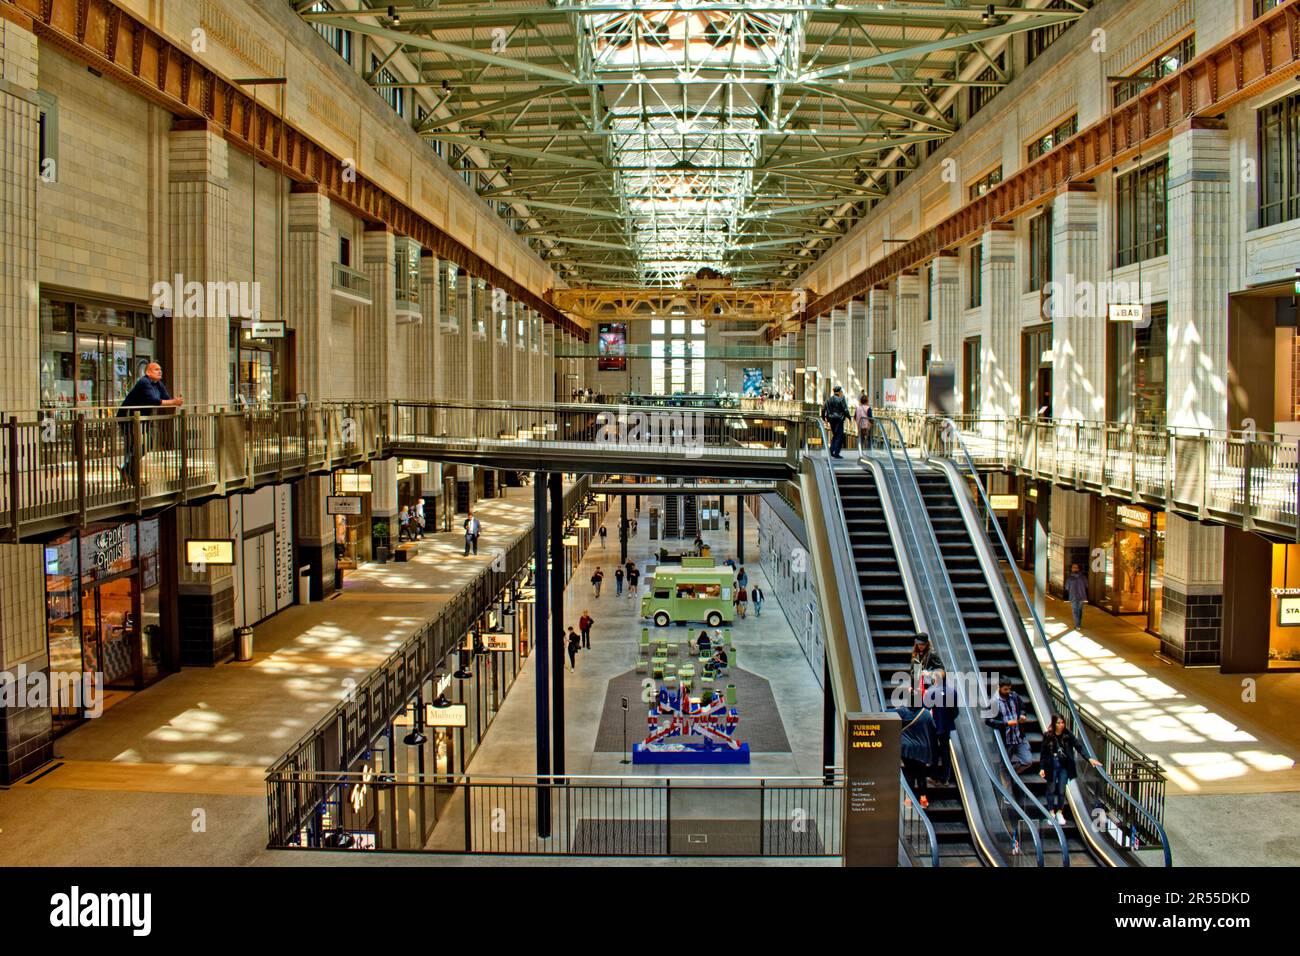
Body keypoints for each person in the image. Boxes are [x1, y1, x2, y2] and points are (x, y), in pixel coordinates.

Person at [117, 361, 183, 482]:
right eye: (156, 369)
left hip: (142, 418)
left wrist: (174, 402)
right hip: (129, 418)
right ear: (148, 372)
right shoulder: (144, 382)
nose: (160, 371)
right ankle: (129, 474)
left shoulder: (157, 383)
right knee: (135, 445)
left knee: (147, 443)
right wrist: (173, 402)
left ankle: (127, 469)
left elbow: (165, 399)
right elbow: (154, 400)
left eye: (160, 369)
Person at [1038, 713, 1102, 825]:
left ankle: (1059, 812)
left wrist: (1089, 759)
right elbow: (1043, 754)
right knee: (1051, 789)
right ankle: (1051, 813)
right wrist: (1042, 768)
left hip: (1064, 766)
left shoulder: (1068, 735)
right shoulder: (1048, 735)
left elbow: (1079, 746)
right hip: (1051, 766)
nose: (1061, 725)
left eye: (1062, 722)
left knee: (1062, 790)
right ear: (1054, 723)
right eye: (1058, 723)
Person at [895, 704, 937, 810]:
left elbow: (885, 712)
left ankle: (909, 800)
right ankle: (923, 800)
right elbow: (933, 730)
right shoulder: (926, 714)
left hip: (907, 748)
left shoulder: (902, 712)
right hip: (922, 748)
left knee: (909, 773)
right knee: (921, 774)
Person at [987, 677, 1034, 771]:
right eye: (1005, 689)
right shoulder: (994, 702)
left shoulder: (1014, 696)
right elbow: (988, 720)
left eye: (1009, 689)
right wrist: (1006, 723)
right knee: (1004, 765)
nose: (1008, 691)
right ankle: (1006, 782)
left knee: (1027, 761)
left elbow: (1022, 708)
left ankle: (1012, 774)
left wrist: (1022, 715)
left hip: (1019, 737)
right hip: (1006, 740)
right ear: (999, 688)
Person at [823, 384, 849, 459]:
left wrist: (824, 418)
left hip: (831, 419)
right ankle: (836, 452)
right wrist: (849, 418)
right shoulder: (841, 399)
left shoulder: (828, 399)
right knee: (839, 436)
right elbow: (845, 410)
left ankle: (832, 450)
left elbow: (823, 409)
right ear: (840, 391)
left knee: (835, 434)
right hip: (839, 420)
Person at [1065, 563, 1088, 630]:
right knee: (1079, 610)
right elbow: (1086, 585)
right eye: (1073, 567)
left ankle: (1077, 625)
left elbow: (1067, 587)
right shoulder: (1083, 577)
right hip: (1081, 596)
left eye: (1075, 567)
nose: (1074, 568)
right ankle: (1078, 624)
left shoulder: (1069, 578)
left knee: (1075, 611)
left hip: (1073, 596)